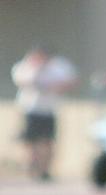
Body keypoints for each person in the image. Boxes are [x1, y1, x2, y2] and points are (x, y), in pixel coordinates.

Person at [11, 48, 77, 182]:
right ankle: (32, 167)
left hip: (49, 110)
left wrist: (55, 86)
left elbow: (69, 83)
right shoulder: (25, 67)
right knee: (31, 141)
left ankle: (45, 170)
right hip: (31, 109)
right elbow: (24, 81)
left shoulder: (57, 67)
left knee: (48, 141)